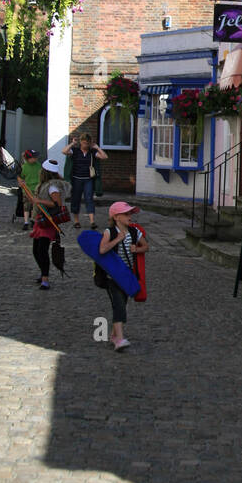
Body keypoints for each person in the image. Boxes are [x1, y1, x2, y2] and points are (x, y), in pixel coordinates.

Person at [99, 202, 148, 351]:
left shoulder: (135, 232)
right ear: (116, 217)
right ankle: (119, 339)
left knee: (122, 305)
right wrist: (117, 239)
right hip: (112, 276)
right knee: (119, 304)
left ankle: (114, 335)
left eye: (130, 214)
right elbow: (102, 250)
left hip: (127, 275)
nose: (129, 217)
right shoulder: (110, 232)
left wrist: (137, 249)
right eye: (126, 214)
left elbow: (146, 246)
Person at [29, 160, 71, 290]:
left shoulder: (52, 187)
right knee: (36, 250)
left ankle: (45, 279)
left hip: (48, 222)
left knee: (42, 250)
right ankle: (43, 274)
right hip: (40, 220)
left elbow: (57, 204)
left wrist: (39, 201)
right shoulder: (45, 185)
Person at [62, 131, 107, 230]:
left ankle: (92, 221)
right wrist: (72, 144)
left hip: (88, 180)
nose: (85, 145)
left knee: (89, 199)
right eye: (83, 142)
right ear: (81, 142)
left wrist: (97, 148)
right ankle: (76, 221)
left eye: (87, 143)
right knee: (75, 199)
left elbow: (104, 156)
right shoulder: (75, 150)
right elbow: (64, 151)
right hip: (76, 179)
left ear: (90, 143)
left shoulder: (92, 152)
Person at [16, 148, 42, 230]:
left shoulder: (39, 165)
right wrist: (21, 182)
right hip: (27, 190)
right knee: (26, 206)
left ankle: (33, 220)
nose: (36, 158)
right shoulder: (24, 167)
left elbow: (42, 175)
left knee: (35, 206)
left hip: (37, 189)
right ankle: (26, 222)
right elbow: (20, 177)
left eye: (36, 157)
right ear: (28, 159)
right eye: (34, 157)